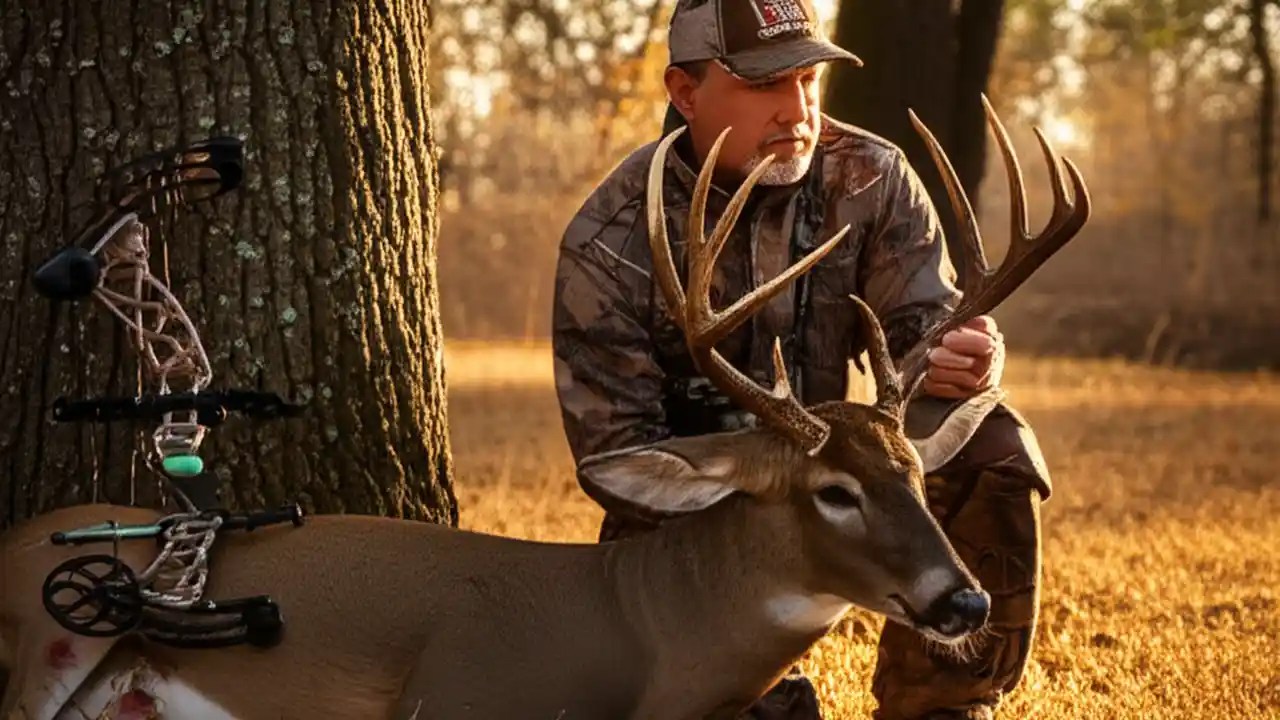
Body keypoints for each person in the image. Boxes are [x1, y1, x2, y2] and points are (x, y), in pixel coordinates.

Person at [550, 1, 1052, 718]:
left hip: (848, 476)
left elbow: (924, 329)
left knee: (994, 443)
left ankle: (943, 701)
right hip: (707, 519)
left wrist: (962, 355)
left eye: (808, 83)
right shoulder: (611, 240)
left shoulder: (871, 177)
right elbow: (620, 458)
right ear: (686, 94)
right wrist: (764, 497)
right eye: (764, 86)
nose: (797, 112)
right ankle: (747, 686)